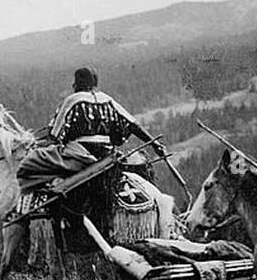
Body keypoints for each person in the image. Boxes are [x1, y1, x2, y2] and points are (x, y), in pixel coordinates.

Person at [15, 67, 155, 191]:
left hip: (79, 157)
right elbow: (133, 124)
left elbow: (54, 136)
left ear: (78, 83)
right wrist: (155, 144)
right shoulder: (108, 100)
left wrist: (35, 144)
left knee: (30, 161)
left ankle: (40, 195)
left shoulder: (72, 100)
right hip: (107, 156)